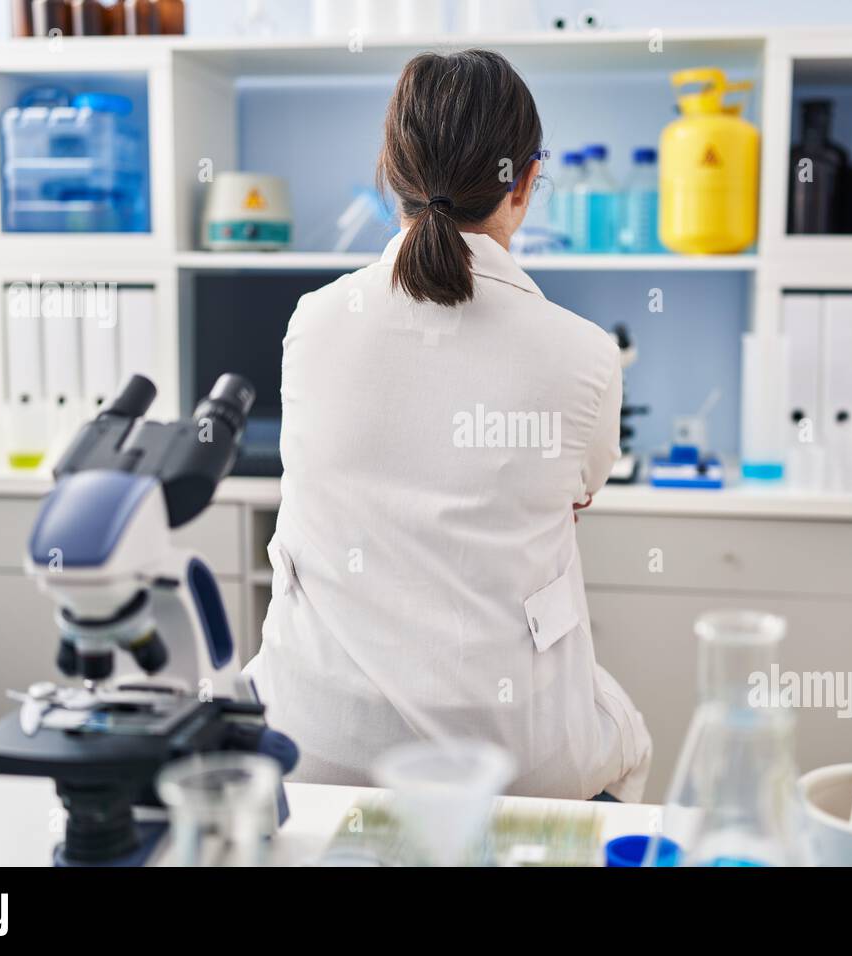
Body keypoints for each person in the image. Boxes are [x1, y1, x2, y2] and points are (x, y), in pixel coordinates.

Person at [245, 49, 652, 801]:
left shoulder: (313, 322)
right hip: (511, 766)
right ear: (527, 182)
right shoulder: (587, 354)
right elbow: (582, 491)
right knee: (626, 734)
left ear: (389, 174)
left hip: (311, 742)